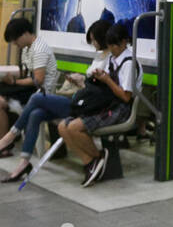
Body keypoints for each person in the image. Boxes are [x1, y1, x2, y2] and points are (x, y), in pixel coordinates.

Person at [0, 20, 111, 182]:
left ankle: (9, 138)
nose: (93, 43)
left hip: (84, 103)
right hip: (81, 100)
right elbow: (92, 85)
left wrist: (86, 83)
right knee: (35, 114)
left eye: (94, 40)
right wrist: (81, 80)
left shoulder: (110, 60)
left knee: (36, 97)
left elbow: (104, 89)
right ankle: (23, 163)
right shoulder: (99, 57)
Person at [58, 22, 140, 187]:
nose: (113, 50)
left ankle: (99, 158)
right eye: (110, 46)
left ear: (124, 42)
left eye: (115, 46)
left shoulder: (129, 63)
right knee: (62, 126)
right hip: (105, 103)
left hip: (119, 109)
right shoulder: (112, 58)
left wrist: (107, 80)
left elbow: (125, 96)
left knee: (74, 127)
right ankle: (90, 162)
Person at [0, 17, 59, 159]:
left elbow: (38, 80)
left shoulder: (39, 49)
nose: (15, 43)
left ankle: (5, 146)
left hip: (40, 94)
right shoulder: (27, 49)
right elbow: (25, 73)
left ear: (25, 33)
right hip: (28, 90)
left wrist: (14, 82)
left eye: (15, 40)